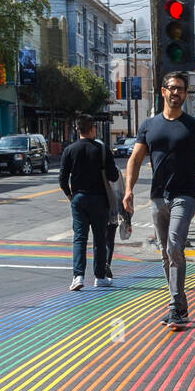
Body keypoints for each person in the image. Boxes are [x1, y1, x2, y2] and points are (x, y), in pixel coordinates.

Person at [124, 70, 195, 330]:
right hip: (157, 197)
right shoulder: (149, 126)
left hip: (185, 195)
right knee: (166, 254)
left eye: (181, 89)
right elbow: (134, 159)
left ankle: (175, 308)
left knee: (174, 247)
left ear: (186, 95)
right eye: (172, 88)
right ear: (163, 91)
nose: (176, 92)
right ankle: (180, 303)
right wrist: (128, 190)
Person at [59, 114, 120, 291]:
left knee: (79, 237)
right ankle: (100, 276)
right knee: (100, 238)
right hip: (100, 199)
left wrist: (71, 196)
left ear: (77, 129)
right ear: (93, 129)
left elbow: (62, 179)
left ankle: (78, 276)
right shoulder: (102, 149)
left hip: (78, 199)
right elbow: (113, 176)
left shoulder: (69, 150)